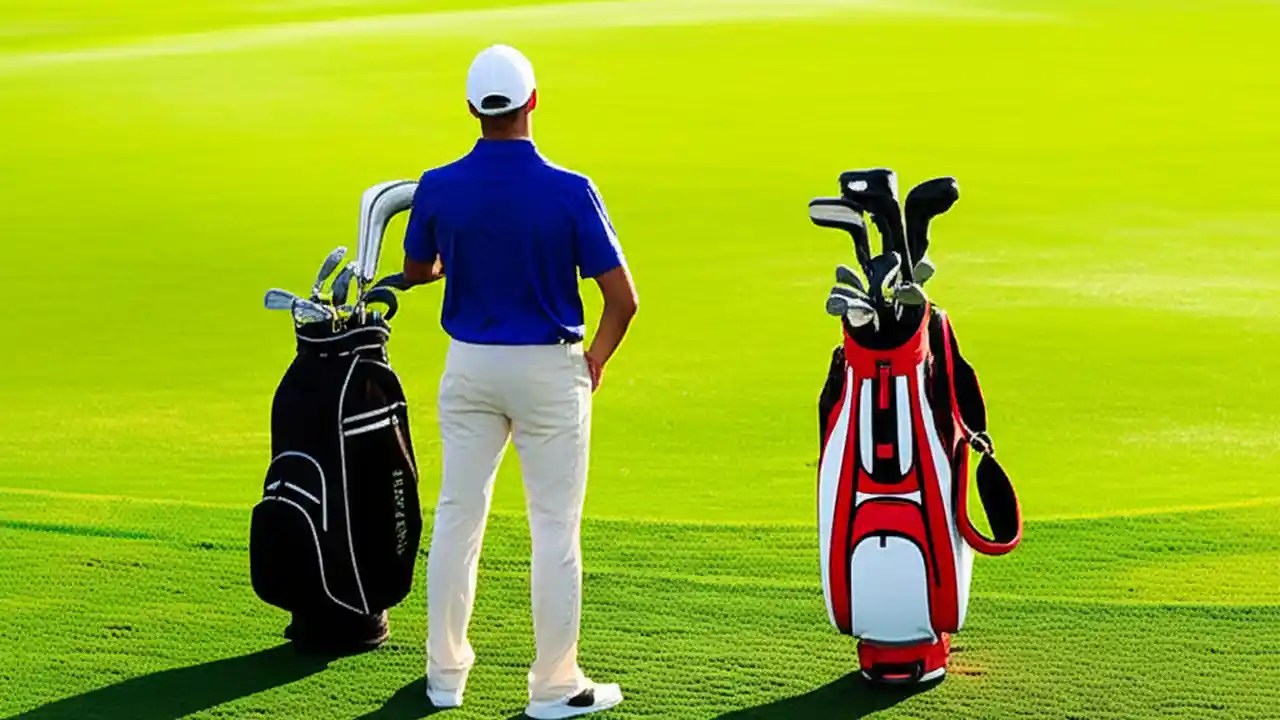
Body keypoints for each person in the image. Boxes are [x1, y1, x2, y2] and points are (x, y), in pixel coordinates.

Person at [399, 44, 638, 719]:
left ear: (473, 108)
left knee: (456, 518)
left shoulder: (439, 184)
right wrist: (596, 360)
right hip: (549, 371)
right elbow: (623, 300)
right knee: (554, 529)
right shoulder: (569, 189)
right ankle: (555, 687)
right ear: (533, 102)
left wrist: (448, 265)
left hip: (470, 366)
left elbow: (420, 270)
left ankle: (444, 679)